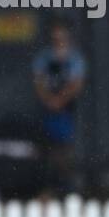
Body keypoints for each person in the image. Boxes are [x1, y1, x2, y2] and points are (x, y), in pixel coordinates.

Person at [31, 20, 86, 194]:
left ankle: (66, 189)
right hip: (47, 111)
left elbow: (76, 84)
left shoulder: (74, 59)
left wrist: (60, 100)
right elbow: (39, 82)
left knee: (65, 151)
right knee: (46, 150)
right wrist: (49, 100)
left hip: (67, 113)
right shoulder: (44, 58)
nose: (58, 39)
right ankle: (47, 189)